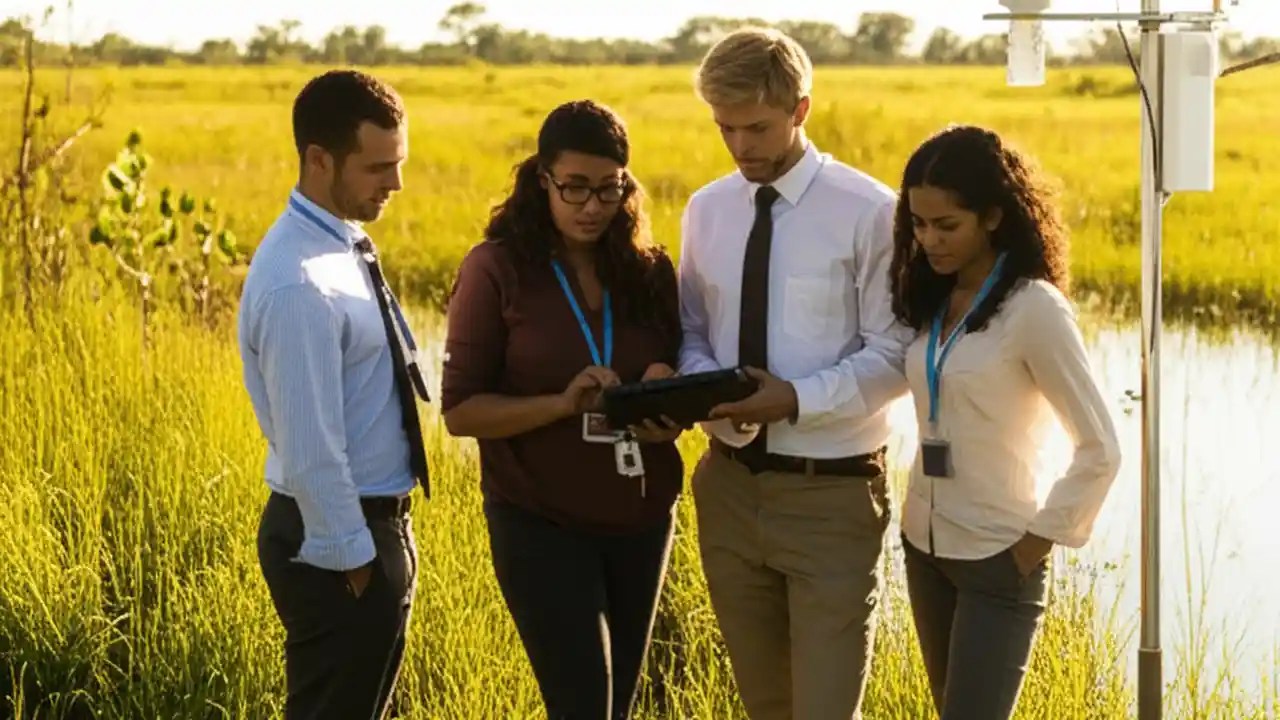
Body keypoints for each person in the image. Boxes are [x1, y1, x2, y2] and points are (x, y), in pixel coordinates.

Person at [677, 27, 914, 720]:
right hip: (727, 489)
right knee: (764, 707)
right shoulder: (707, 209)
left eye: (757, 126)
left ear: (801, 110)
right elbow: (692, 329)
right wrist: (708, 388)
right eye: (725, 128)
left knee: (827, 710)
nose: (741, 146)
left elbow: (895, 352)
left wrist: (793, 400)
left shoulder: (869, 211)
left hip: (832, 500)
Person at [440, 99, 684, 720]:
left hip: (641, 515)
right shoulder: (495, 269)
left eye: (609, 189)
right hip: (539, 520)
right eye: (574, 188)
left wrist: (667, 392)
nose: (592, 206)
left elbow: (676, 364)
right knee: (582, 704)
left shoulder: (649, 270)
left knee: (617, 706)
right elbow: (462, 411)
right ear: (541, 179)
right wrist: (559, 404)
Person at [889, 124, 1123, 719]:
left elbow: (1100, 446)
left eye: (947, 226)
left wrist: (1035, 543)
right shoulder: (932, 299)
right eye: (918, 224)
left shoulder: (1034, 308)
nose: (929, 240)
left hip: (999, 557)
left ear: (992, 217)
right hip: (924, 546)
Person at [237, 69, 428, 720]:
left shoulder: (337, 245)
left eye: (397, 164)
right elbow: (309, 443)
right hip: (338, 543)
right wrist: (354, 560)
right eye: (378, 168)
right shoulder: (298, 284)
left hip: (366, 530)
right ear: (319, 159)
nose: (395, 184)